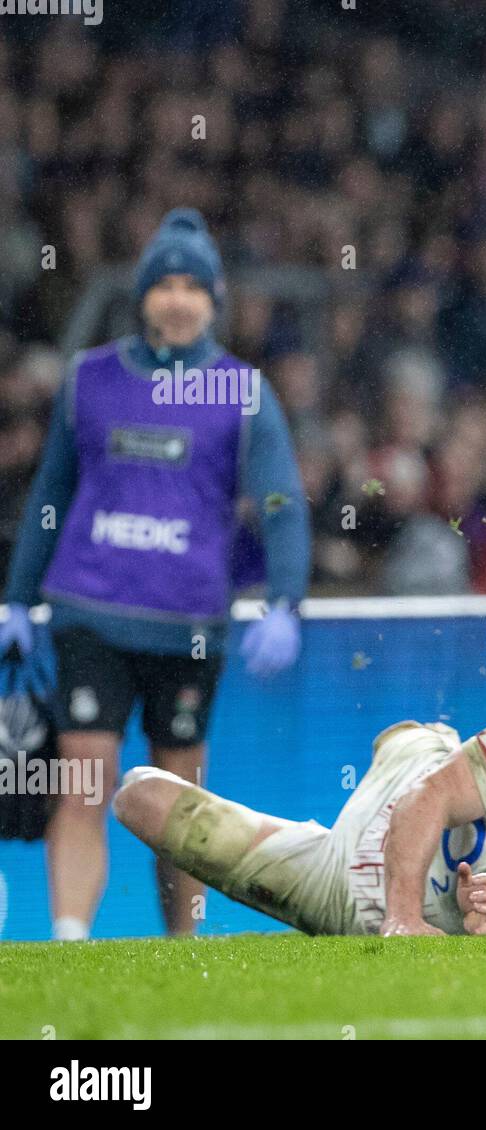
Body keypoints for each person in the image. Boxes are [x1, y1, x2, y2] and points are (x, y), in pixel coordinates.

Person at [0, 209, 310, 940]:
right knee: (83, 779)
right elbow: (51, 492)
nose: (177, 298)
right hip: (89, 609)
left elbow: (281, 503)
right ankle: (71, 940)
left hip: (187, 622)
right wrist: (15, 598)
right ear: (142, 294)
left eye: (191, 286)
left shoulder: (242, 391)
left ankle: (182, 950)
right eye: (164, 283)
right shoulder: (90, 378)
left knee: (179, 802)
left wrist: (286, 602)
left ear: (214, 299)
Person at [113, 705, 486, 937]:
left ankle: (425, 739)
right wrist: (403, 922)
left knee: (141, 800)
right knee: (425, 759)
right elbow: (428, 799)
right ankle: (426, 738)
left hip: (341, 896)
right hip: (396, 823)